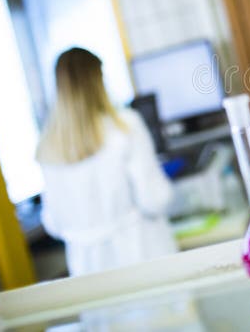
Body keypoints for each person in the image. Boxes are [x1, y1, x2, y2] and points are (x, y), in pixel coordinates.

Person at [36, 47, 177, 277]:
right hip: (141, 258)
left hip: (89, 272)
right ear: (98, 82)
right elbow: (154, 199)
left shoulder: (49, 145)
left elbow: (54, 224)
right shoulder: (124, 126)